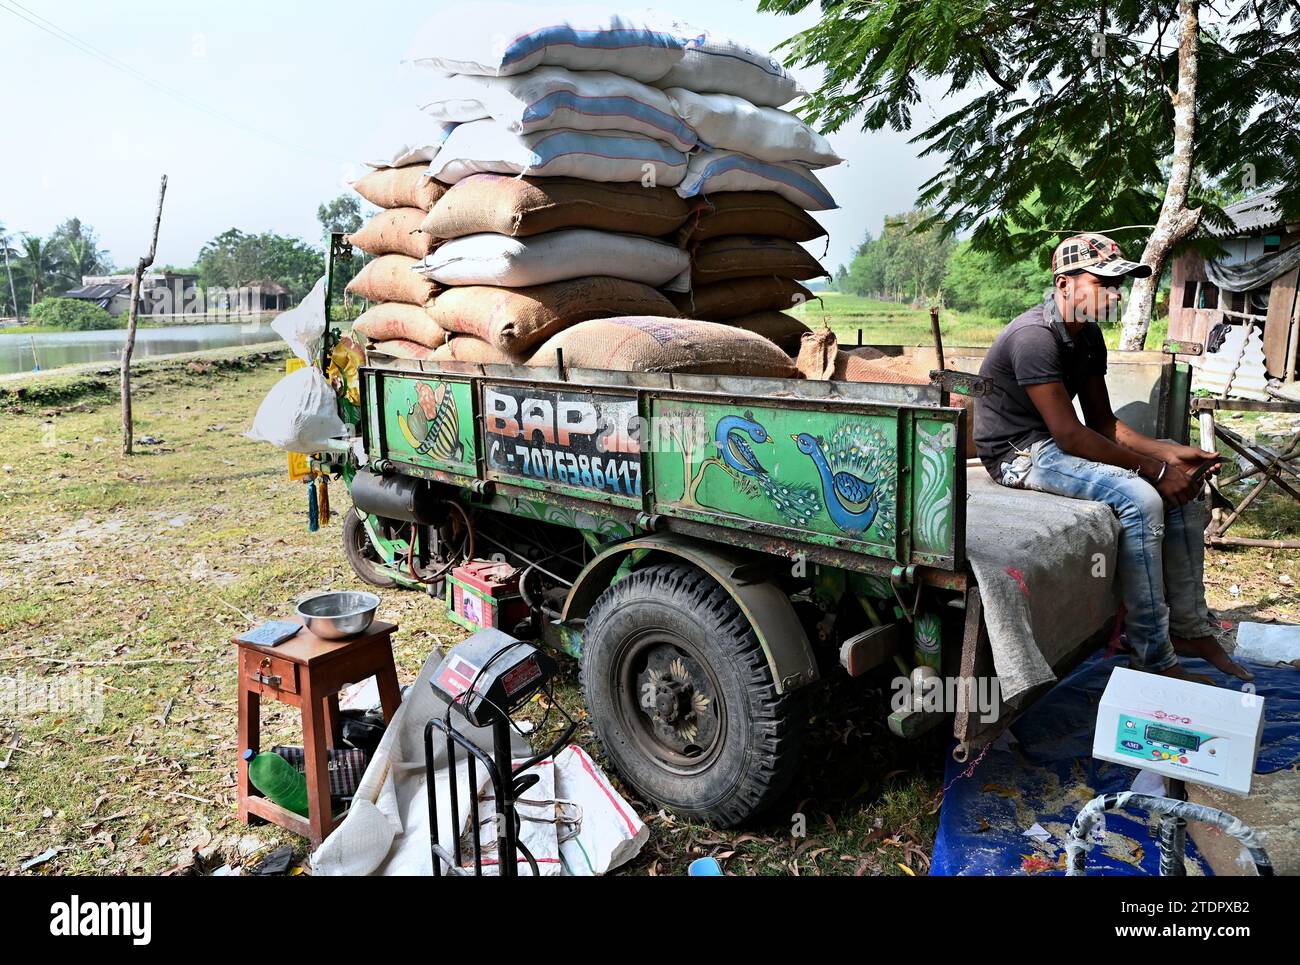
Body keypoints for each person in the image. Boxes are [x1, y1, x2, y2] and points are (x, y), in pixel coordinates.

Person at [973, 233, 1251, 684]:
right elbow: (1069, 434)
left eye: (1117, 284)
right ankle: (1154, 655)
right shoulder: (1033, 337)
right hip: (1017, 454)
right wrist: (1155, 472)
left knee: (1182, 492)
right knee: (1141, 498)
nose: (1114, 293)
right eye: (1102, 282)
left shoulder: (1088, 337)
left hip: (1055, 442)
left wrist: (1171, 453)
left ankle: (1190, 628)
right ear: (1064, 283)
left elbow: (1104, 425)